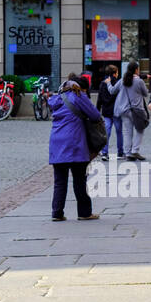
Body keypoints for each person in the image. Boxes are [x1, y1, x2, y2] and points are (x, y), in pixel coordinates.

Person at [47, 79, 100, 221]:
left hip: (56, 142)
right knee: (79, 179)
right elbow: (95, 115)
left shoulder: (55, 99)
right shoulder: (78, 96)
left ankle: (57, 213)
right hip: (75, 142)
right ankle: (84, 213)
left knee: (60, 181)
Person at [96, 65, 123, 160]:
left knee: (107, 132)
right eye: (117, 72)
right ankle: (120, 152)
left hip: (106, 111)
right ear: (115, 73)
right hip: (116, 112)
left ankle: (104, 153)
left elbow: (99, 99)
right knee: (119, 132)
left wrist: (97, 111)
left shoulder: (103, 84)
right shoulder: (117, 82)